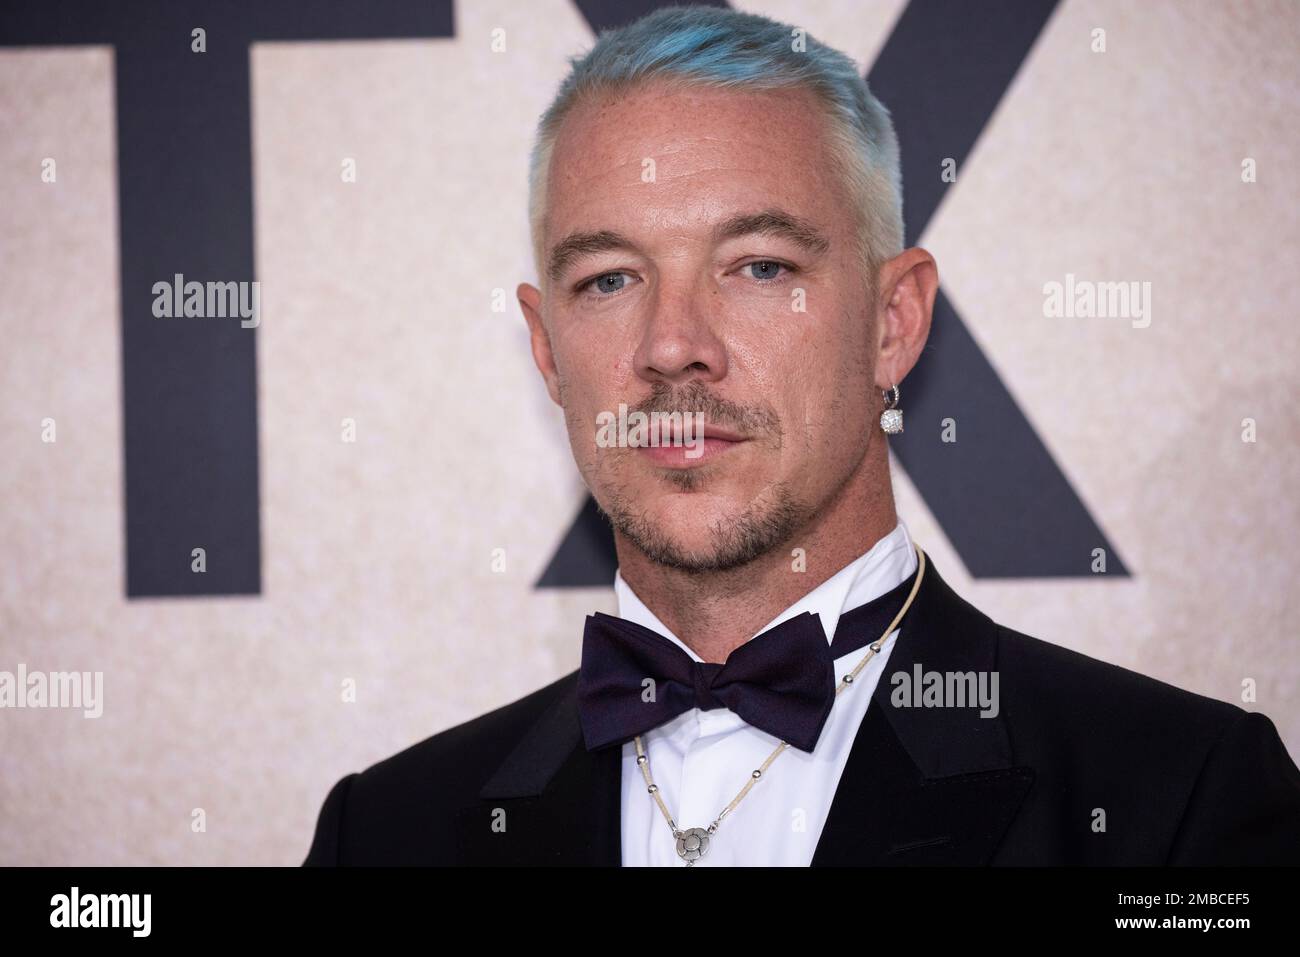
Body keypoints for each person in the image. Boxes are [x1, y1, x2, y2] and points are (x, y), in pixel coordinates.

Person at [304, 5, 1300, 866]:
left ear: (892, 322)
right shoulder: (387, 834)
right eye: (608, 278)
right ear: (549, 350)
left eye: (759, 266)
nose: (672, 346)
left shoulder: (1176, 800)